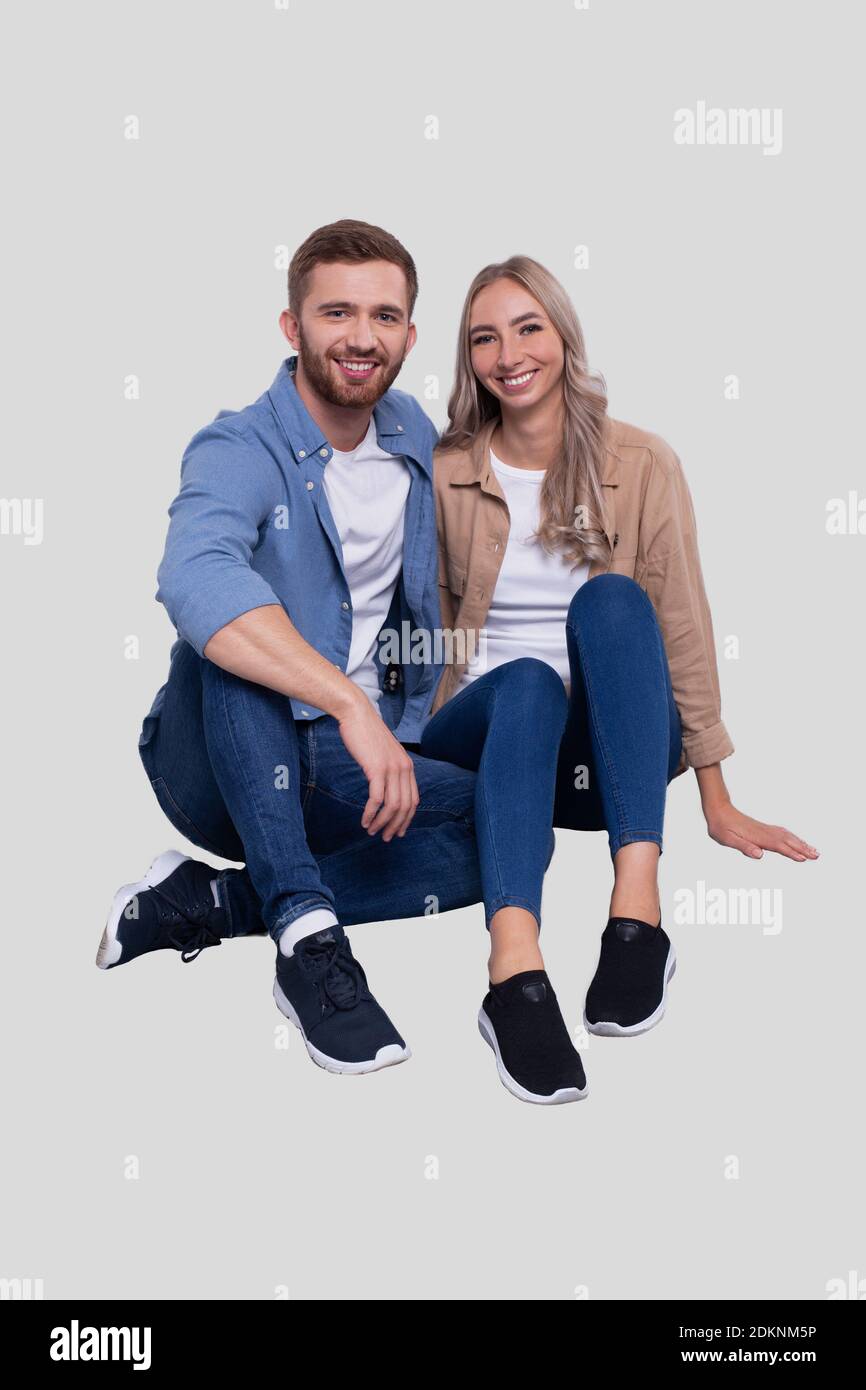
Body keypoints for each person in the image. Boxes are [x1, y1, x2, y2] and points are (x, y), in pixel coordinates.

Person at [96, 220, 494, 1078]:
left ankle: (221, 902)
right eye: (336, 313)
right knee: (237, 633)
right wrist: (349, 701)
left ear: (410, 337)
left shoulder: (413, 438)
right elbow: (193, 576)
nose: (361, 338)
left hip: (346, 770)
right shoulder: (239, 445)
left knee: (510, 827)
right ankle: (312, 945)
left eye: (384, 317)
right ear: (292, 327)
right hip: (218, 767)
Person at [420, 255, 820, 1105]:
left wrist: (715, 793)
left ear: (564, 336)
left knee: (613, 600)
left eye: (529, 327)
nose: (509, 353)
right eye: (484, 337)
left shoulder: (642, 461)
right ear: (469, 359)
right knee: (526, 681)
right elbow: (412, 623)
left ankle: (637, 909)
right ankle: (514, 973)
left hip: (610, 761)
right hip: (488, 736)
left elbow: (681, 622)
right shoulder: (443, 468)